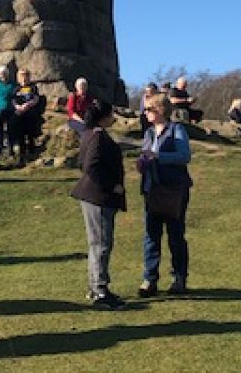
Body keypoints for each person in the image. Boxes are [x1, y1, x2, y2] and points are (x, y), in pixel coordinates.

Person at [70, 98, 127, 310]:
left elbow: (81, 163)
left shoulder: (88, 134)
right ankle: (100, 290)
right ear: (103, 117)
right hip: (98, 198)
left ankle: (96, 286)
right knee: (102, 243)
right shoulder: (98, 137)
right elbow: (91, 166)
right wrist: (112, 186)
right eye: (111, 114)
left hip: (92, 196)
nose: (113, 118)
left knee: (97, 243)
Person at [137, 95, 192, 297]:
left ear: (160, 110)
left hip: (174, 190)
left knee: (175, 236)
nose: (145, 113)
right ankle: (149, 279)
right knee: (151, 236)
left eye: (149, 109)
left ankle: (179, 278)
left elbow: (184, 155)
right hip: (153, 189)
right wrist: (143, 162)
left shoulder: (177, 130)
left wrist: (159, 156)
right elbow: (146, 155)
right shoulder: (149, 133)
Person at [9, 69, 43, 166]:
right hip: (19, 114)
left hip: (30, 114)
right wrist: (18, 106)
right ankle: (21, 157)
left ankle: (32, 155)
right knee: (20, 137)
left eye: (26, 76)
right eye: (22, 77)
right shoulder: (16, 89)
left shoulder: (33, 87)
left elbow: (36, 98)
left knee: (31, 136)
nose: (24, 79)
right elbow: (13, 100)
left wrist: (27, 105)